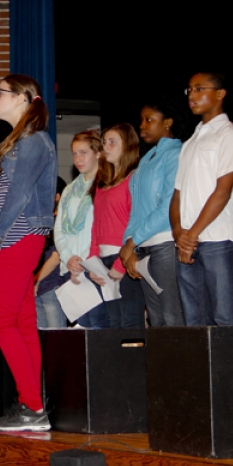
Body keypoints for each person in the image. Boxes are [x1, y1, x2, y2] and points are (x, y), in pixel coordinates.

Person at [0, 74, 56, 432]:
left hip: (20, 239)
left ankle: (34, 407)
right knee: (22, 323)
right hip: (13, 237)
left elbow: (19, 196)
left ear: (24, 99)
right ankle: (32, 405)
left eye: (0, 92)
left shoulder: (34, 141)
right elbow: (0, 198)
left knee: (0, 321)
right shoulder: (20, 140)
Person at [170, 72, 233, 326]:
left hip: (219, 238)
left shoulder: (229, 135)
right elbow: (177, 194)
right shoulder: (190, 142)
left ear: (220, 94)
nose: (192, 95)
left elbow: (223, 191)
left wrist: (192, 235)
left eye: (199, 89)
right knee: (195, 321)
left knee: (225, 318)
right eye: (189, 90)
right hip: (188, 243)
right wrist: (179, 232)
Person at [120, 97, 188, 327]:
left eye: (149, 120)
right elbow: (136, 209)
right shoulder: (147, 158)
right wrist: (128, 245)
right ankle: (163, 364)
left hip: (165, 246)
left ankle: (181, 364)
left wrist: (132, 243)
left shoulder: (176, 153)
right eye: (141, 120)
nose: (142, 125)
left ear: (167, 122)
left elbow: (168, 207)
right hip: (143, 247)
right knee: (156, 320)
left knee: (172, 317)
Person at [86, 124, 145, 328]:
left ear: (127, 146)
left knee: (130, 322)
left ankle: (134, 361)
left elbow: (136, 222)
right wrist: (92, 261)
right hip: (102, 261)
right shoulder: (101, 183)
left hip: (125, 258)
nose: (106, 147)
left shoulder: (134, 178)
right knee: (112, 324)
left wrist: (121, 264)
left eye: (112, 142)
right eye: (104, 142)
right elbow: (95, 226)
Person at [53, 132, 105, 328]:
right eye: (74, 154)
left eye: (83, 152)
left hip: (94, 266)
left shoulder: (105, 185)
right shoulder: (69, 190)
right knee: (79, 330)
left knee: (98, 327)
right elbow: (59, 229)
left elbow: (101, 228)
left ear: (98, 153)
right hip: (70, 267)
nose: (78, 159)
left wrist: (84, 261)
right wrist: (68, 257)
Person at [34, 176, 68, 329]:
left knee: (56, 339)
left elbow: (56, 257)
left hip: (52, 287)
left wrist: (35, 280)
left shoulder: (61, 221)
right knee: (43, 341)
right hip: (39, 289)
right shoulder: (42, 222)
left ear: (57, 196)